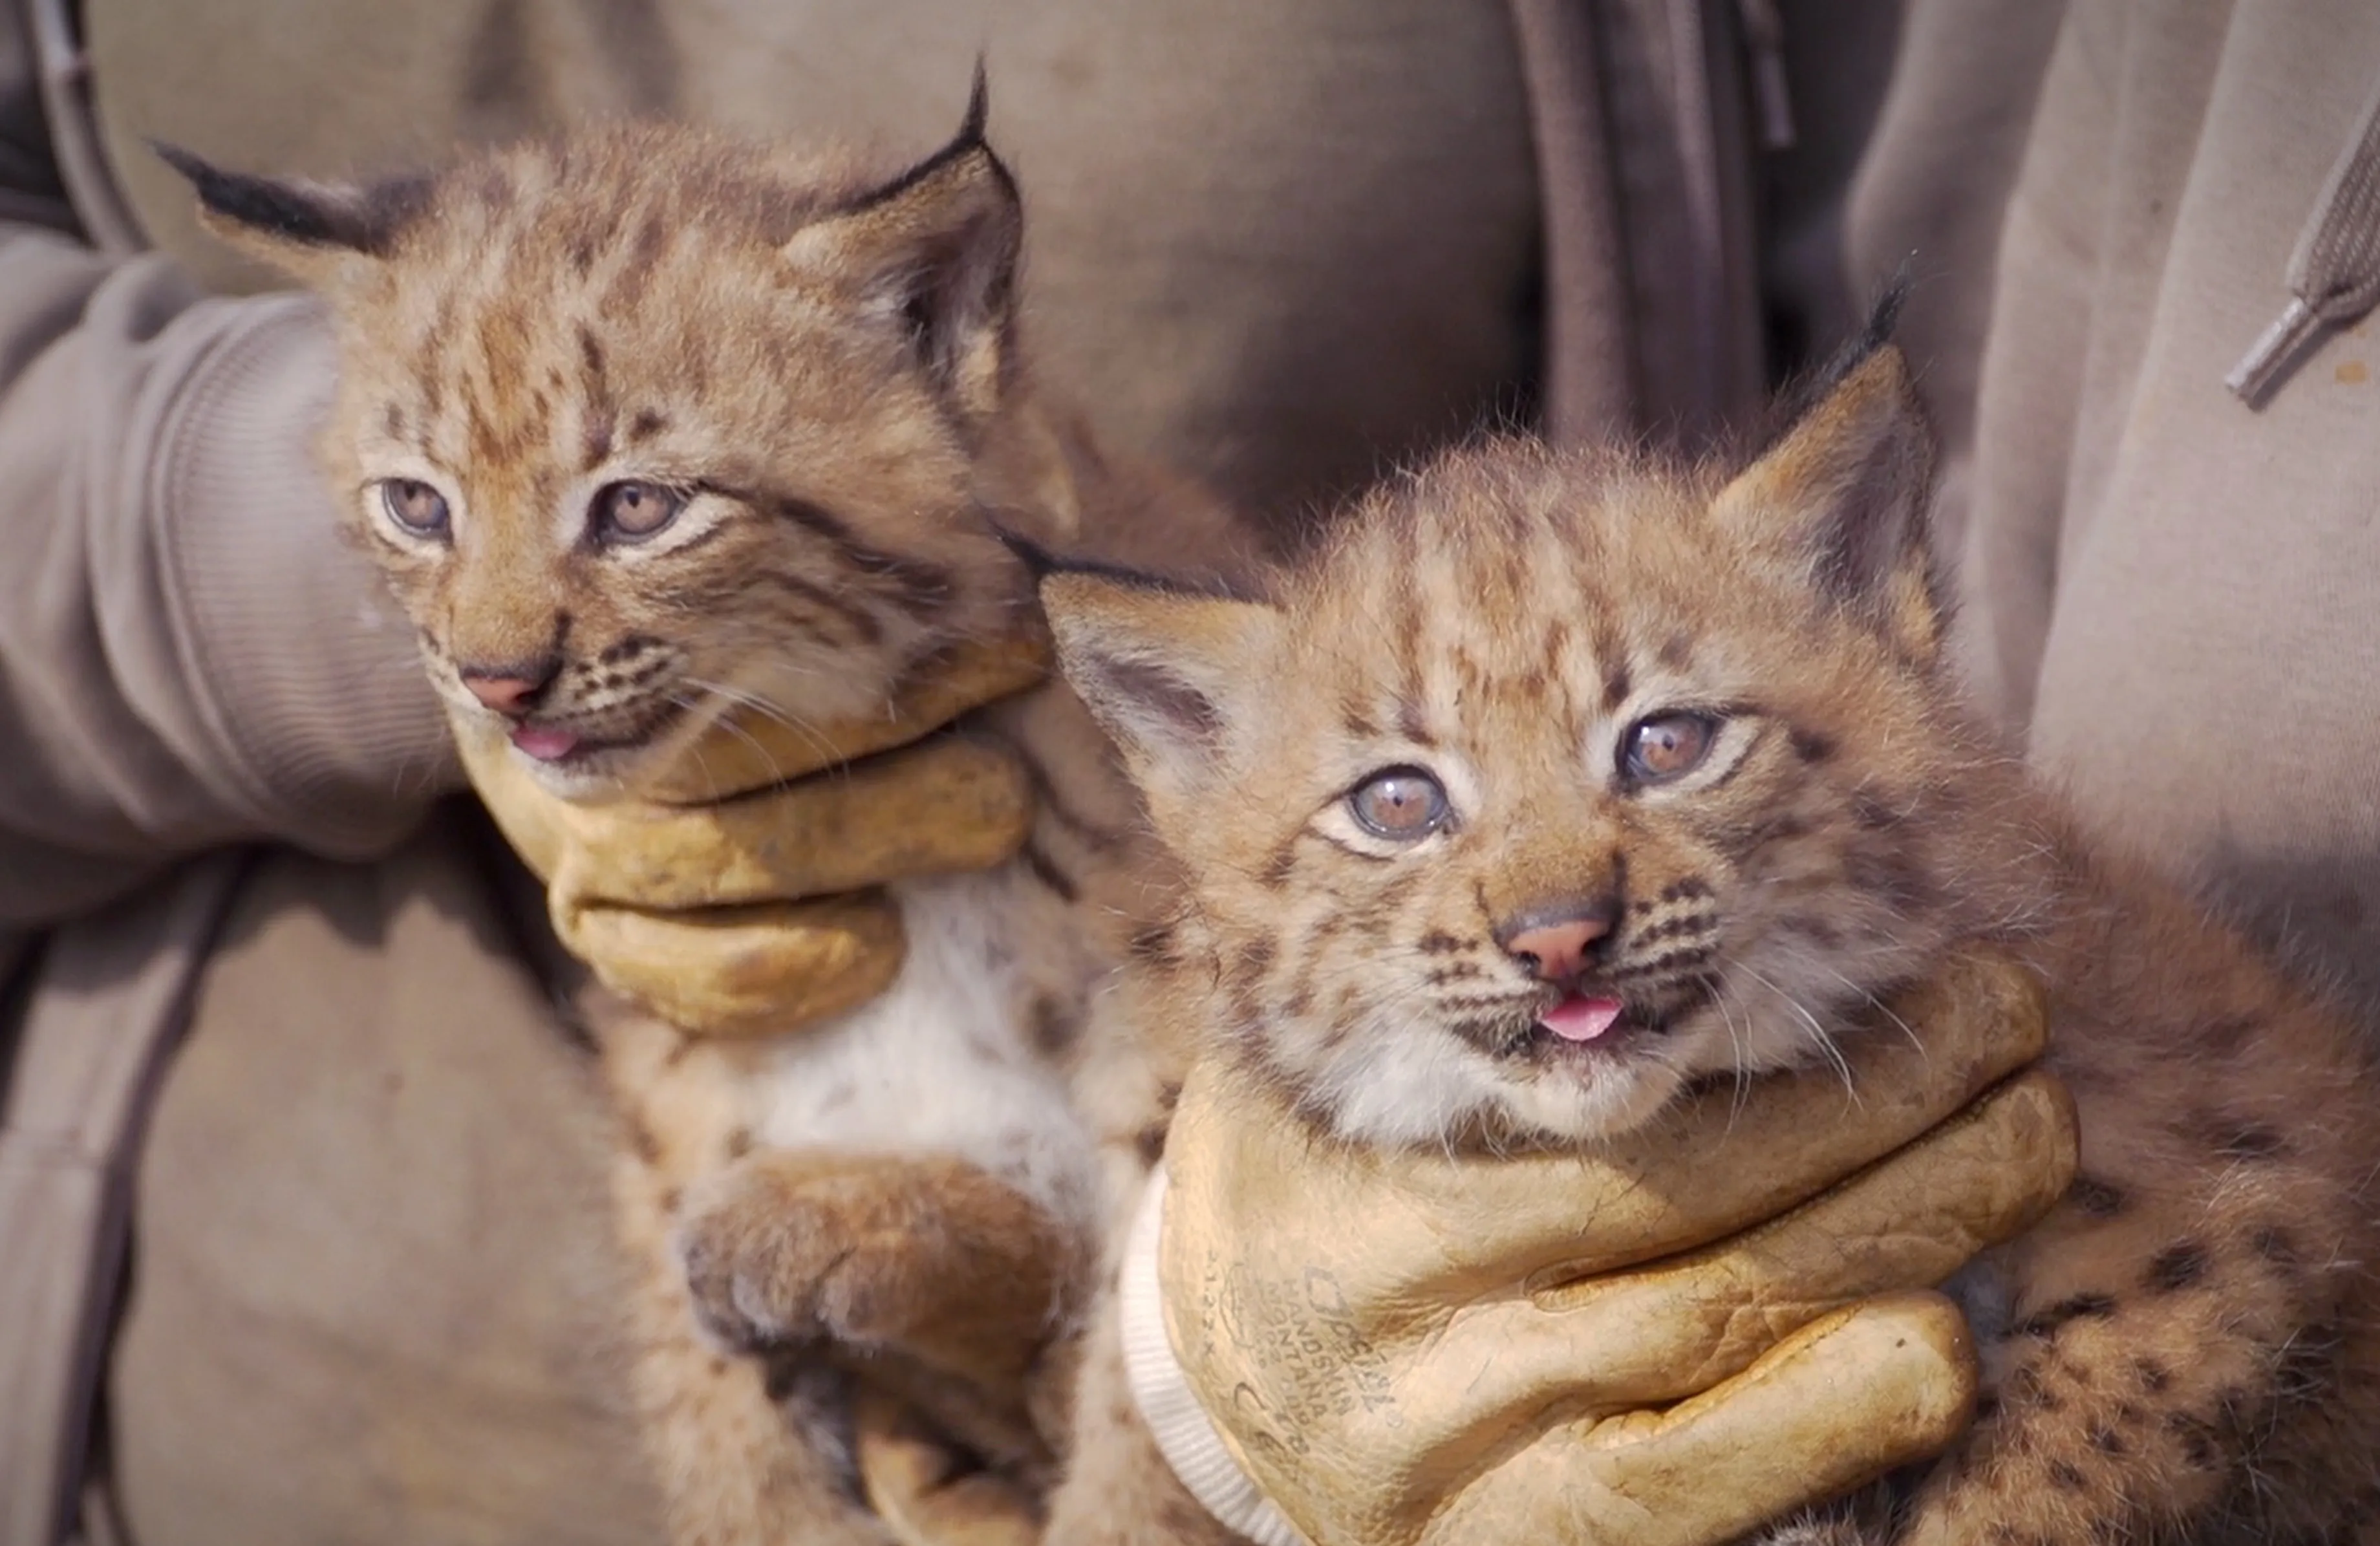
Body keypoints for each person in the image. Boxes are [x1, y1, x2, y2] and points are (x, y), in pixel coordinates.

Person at [1, 0, 2370, 1543]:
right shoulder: (451, 550)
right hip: (281, 1394)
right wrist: (292, 544)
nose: (508, 642)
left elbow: (1973, 323)